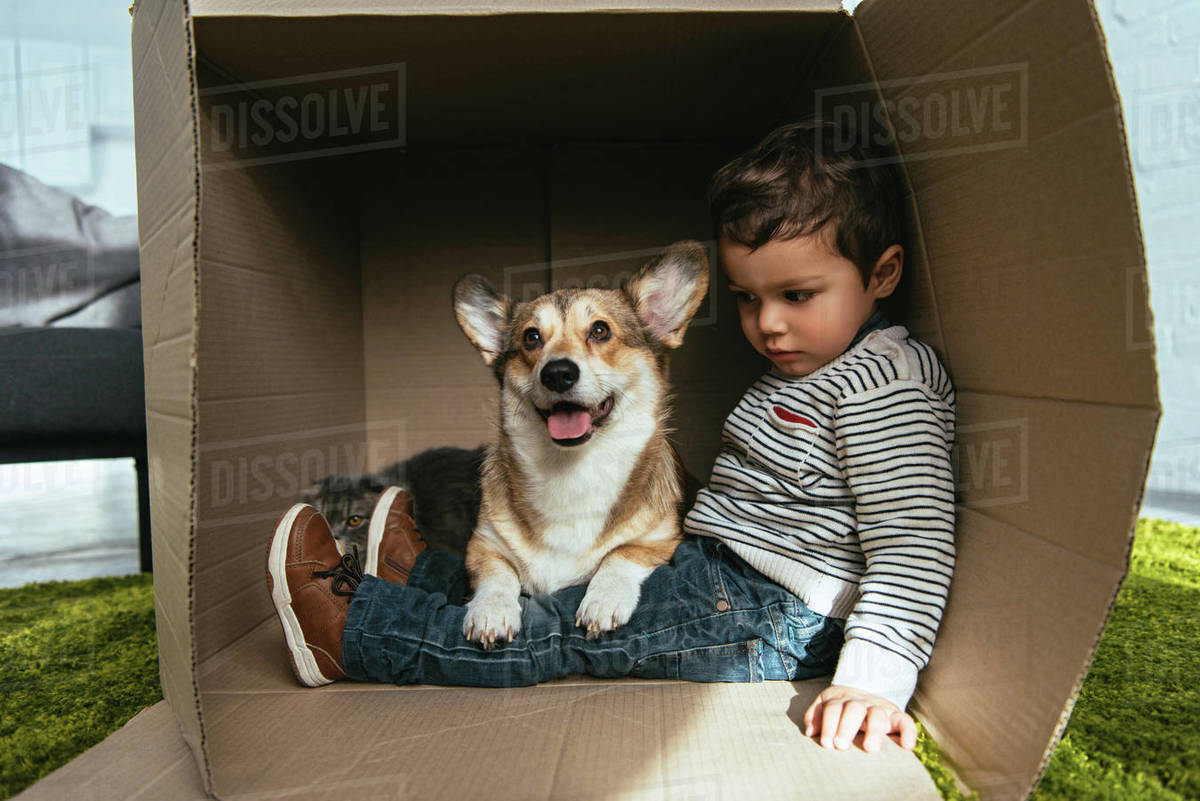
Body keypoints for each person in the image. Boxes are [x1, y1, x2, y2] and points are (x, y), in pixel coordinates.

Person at [266, 120, 956, 755]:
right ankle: (413, 574)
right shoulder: (806, 369)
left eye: (796, 296)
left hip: (776, 614)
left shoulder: (884, 386)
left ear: (882, 274)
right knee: (544, 593)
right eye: (748, 298)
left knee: (561, 632)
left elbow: (914, 543)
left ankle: (358, 636)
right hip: (718, 572)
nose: (767, 323)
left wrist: (872, 680)